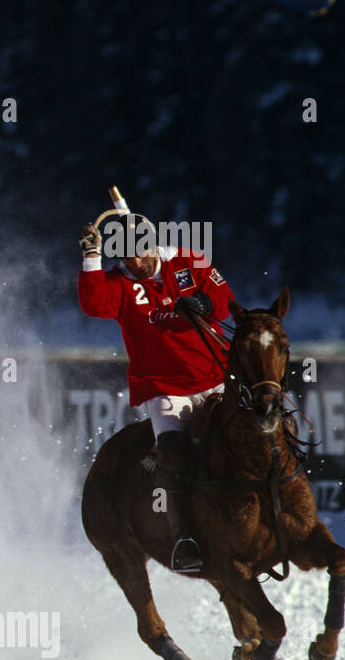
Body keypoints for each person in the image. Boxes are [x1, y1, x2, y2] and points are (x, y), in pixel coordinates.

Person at [78, 217, 234, 573]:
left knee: (254, 433)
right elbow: (94, 304)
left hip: (216, 376)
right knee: (173, 454)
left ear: (154, 244)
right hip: (165, 388)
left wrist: (203, 304)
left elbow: (224, 299)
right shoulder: (118, 283)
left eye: (140, 253)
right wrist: (91, 257)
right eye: (126, 257)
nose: (134, 262)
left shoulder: (189, 259)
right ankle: (185, 539)